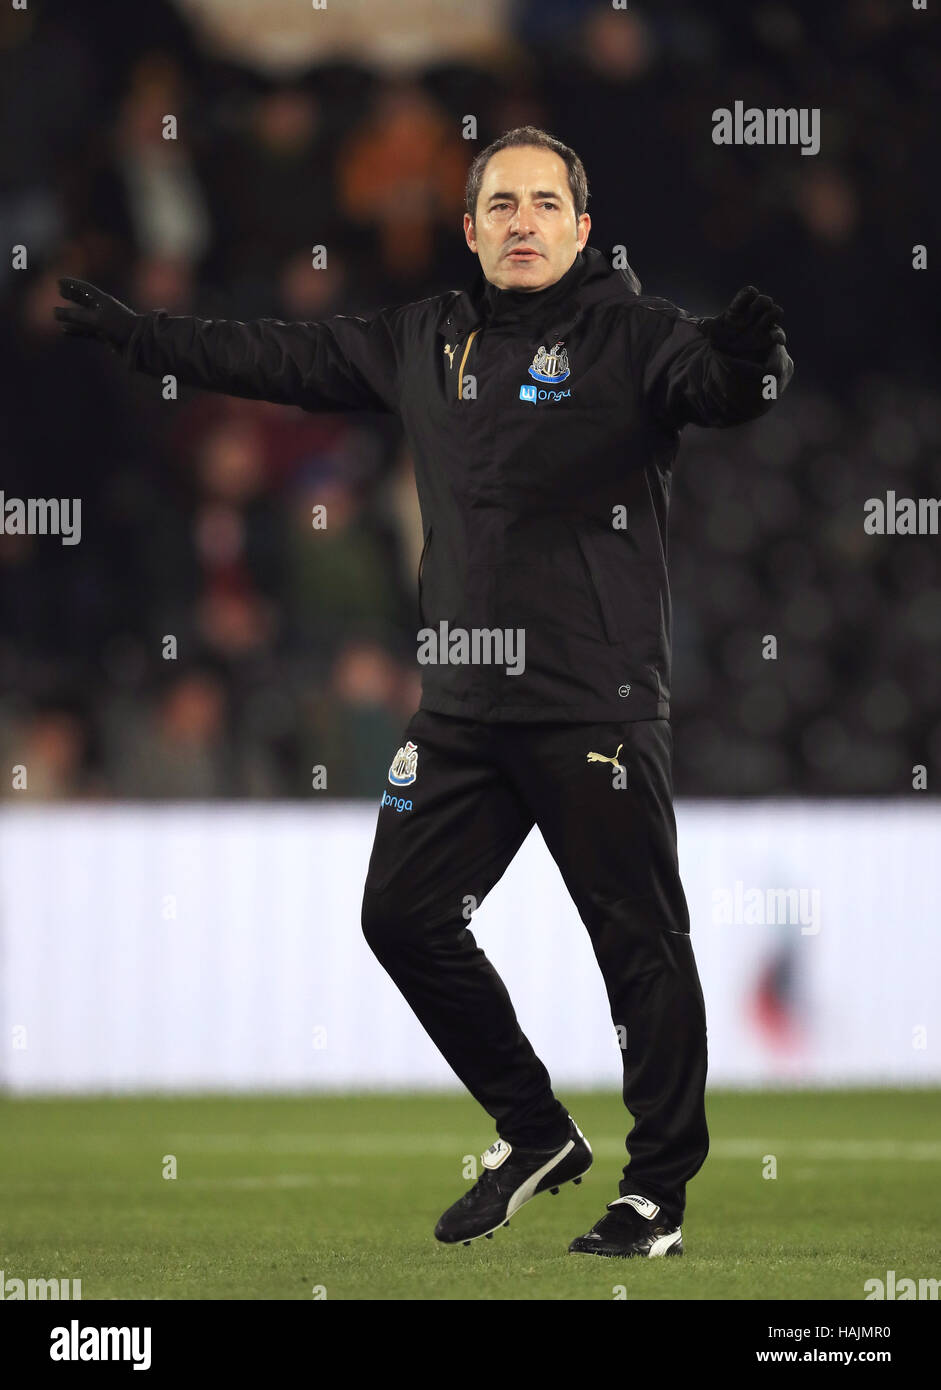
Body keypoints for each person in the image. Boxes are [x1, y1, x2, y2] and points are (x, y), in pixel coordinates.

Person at [55, 124, 792, 1258]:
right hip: (458, 710)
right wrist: (144, 337)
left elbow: (714, 383)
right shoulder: (424, 337)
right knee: (398, 915)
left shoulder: (630, 333)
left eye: (546, 204)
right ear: (468, 229)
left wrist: (744, 363)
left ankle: (656, 1193)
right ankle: (533, 1126)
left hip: (589, 698)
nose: (523, 222)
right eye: (500, 205)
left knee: (636, 941)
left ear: (582, 227)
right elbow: (279, 358)